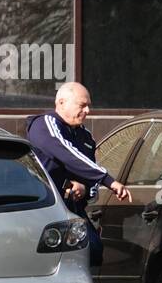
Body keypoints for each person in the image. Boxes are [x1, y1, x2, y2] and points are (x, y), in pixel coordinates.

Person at [26, 81, 132, 264]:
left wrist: (83, 188)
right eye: (82, 105)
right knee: (45, 257)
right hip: (41, 207)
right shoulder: (44, 124)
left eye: (89, 105)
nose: (88, 111)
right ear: (61, 103)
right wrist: (109, 181)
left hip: (71, 210)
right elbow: (66, 154)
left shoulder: (86, 137)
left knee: (93, 250)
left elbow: (88, 177)